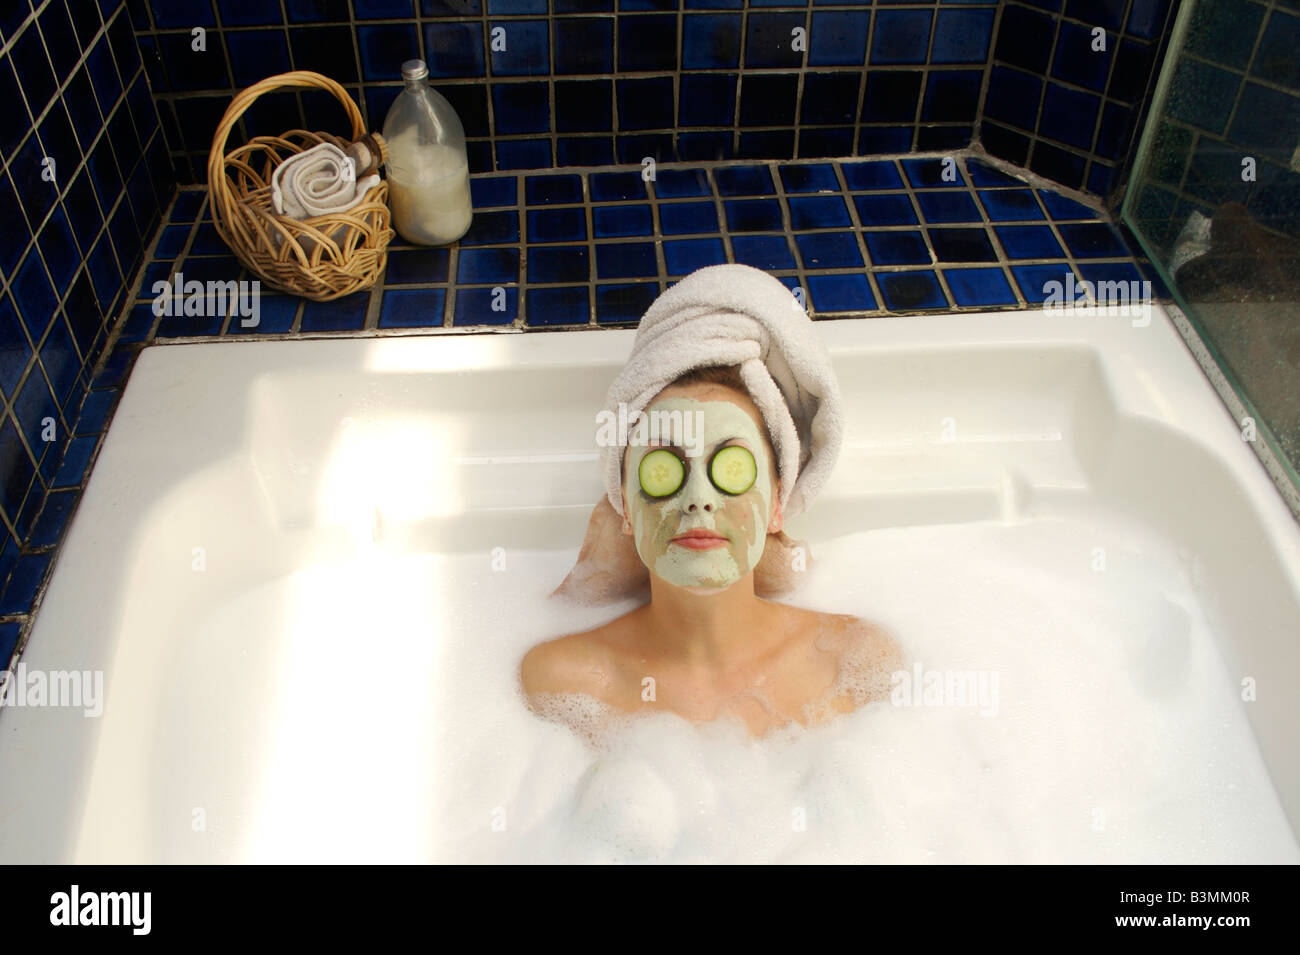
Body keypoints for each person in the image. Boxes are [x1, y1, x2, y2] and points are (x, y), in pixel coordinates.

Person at [519, 264, 904, 739]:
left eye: (732, 469)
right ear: (624, 506)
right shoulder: (561, 680)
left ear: (777, 503)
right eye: (663, 470)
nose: (698, 498)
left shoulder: (856, 661)